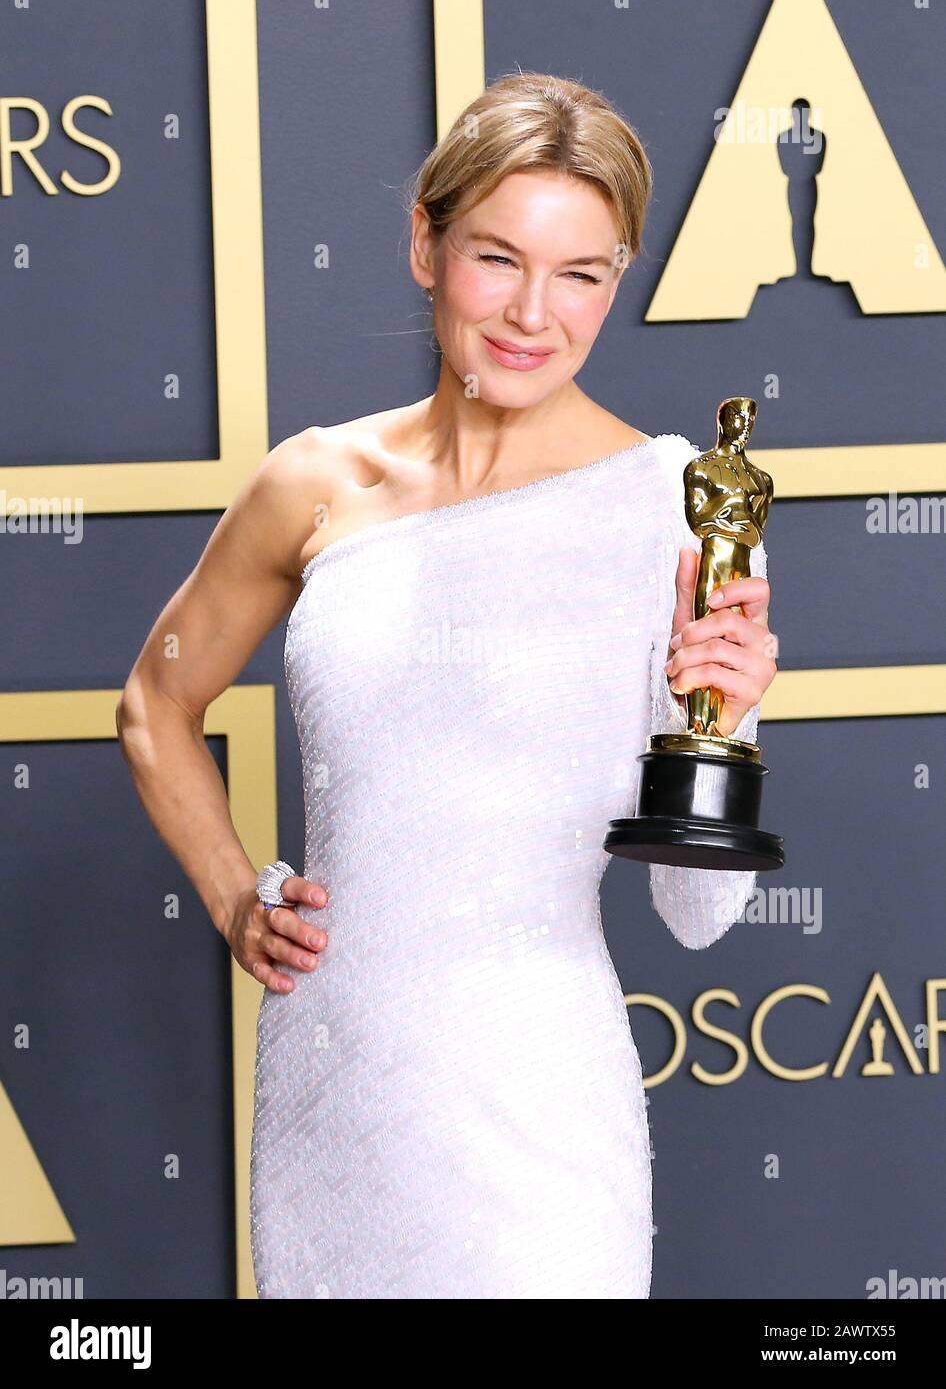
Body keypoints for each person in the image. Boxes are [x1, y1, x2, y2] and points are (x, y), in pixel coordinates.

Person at [117, 71, 777, 1299]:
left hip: (541, 1115)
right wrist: (231, 893)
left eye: (581, 273)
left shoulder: (670, 506)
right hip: (335, 1084)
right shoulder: (315, 483)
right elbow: (154, 701)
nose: (535, 312)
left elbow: (697, 916)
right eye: (496, 258)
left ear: (616, 281)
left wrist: (728, 717)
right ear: (424, 245)